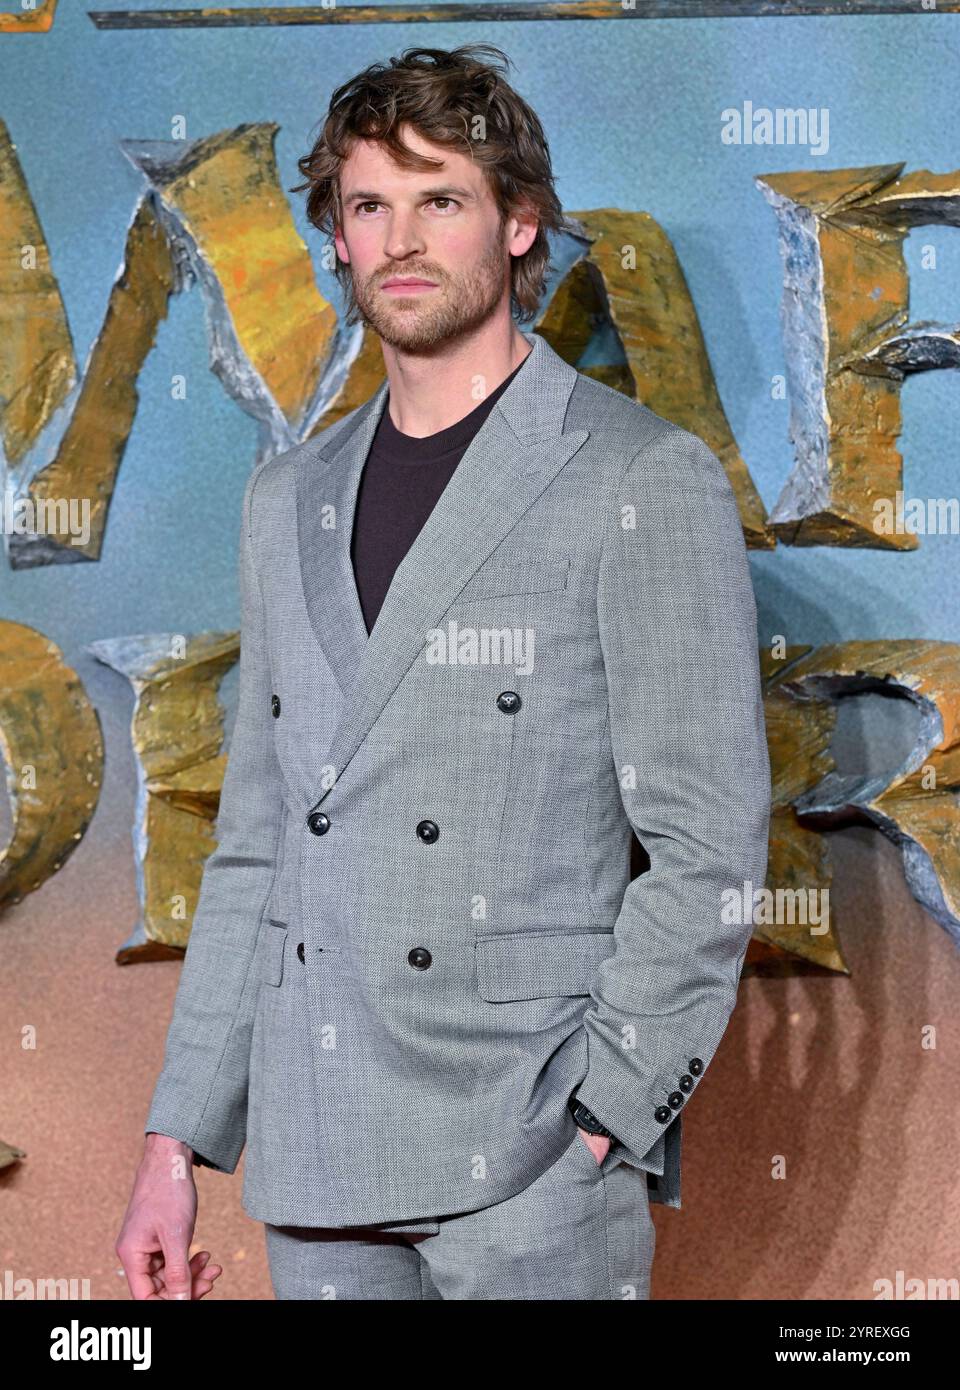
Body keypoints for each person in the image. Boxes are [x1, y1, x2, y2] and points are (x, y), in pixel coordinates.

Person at [117, 43, 771, 1301]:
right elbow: (258, 846)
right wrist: (176, 1142)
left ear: (519, 221)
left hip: (530, 1161)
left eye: (441, 198)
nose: (402, 237)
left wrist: (607, 1113)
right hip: (316, 1165)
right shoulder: (283, 500)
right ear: (340, 238)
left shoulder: (637, 477)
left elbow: (708, 844)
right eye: (371, 204)